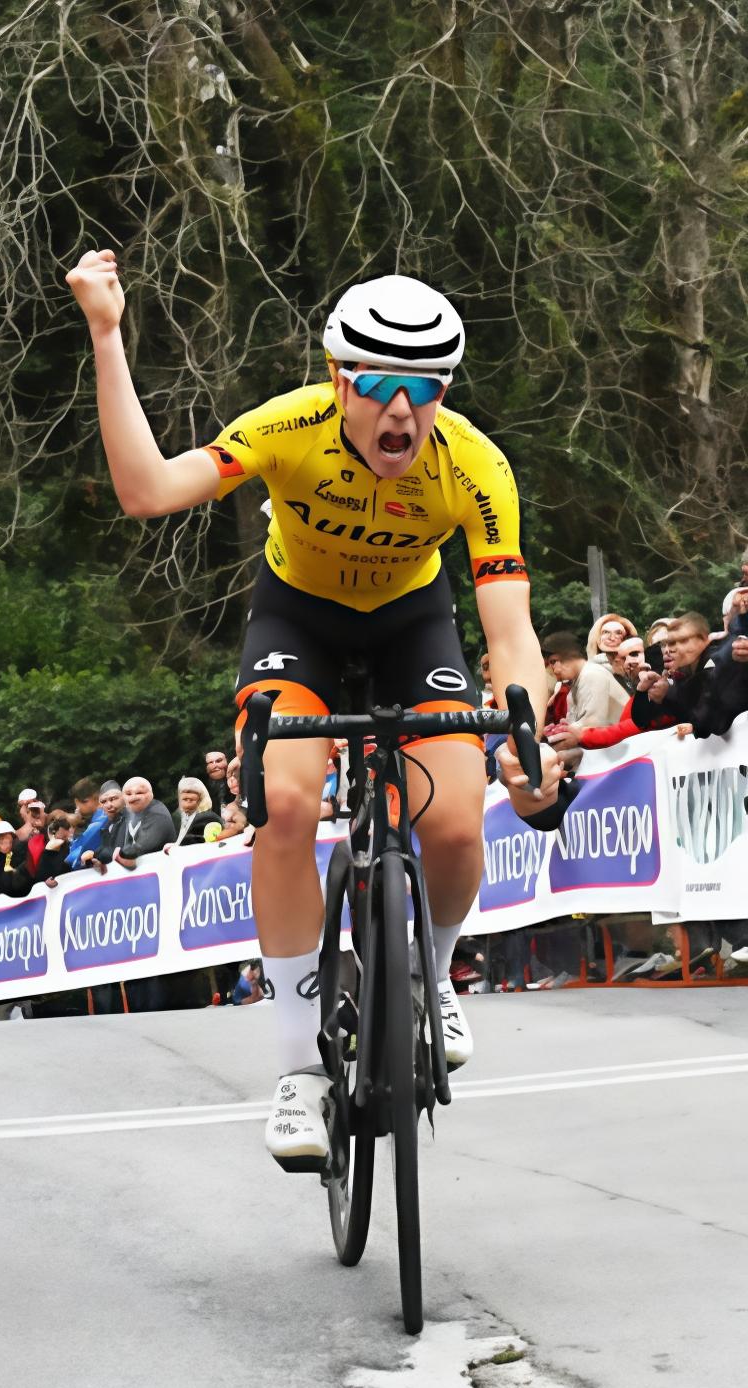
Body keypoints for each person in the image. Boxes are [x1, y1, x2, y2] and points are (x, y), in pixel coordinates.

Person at [68, 258, 563, 1169]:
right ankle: (299, 1069)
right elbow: (147, 492)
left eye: (425, 389)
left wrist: (525, 730)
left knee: (456, 821)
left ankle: (430, 972)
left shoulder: (476, 465)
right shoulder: (289, 426)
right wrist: (107, 335)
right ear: (340, 381)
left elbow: (508, 625)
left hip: (415, 628)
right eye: (379, 386)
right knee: (287, 805)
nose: (402, 412)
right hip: (299, 622)